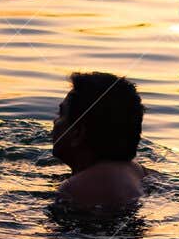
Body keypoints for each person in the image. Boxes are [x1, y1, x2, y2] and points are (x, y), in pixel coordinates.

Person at [51, 71, 146, 210]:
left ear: (78, 133)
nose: (54, 121)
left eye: (61, 114)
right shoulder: (138, 172)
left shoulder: (75, 189)